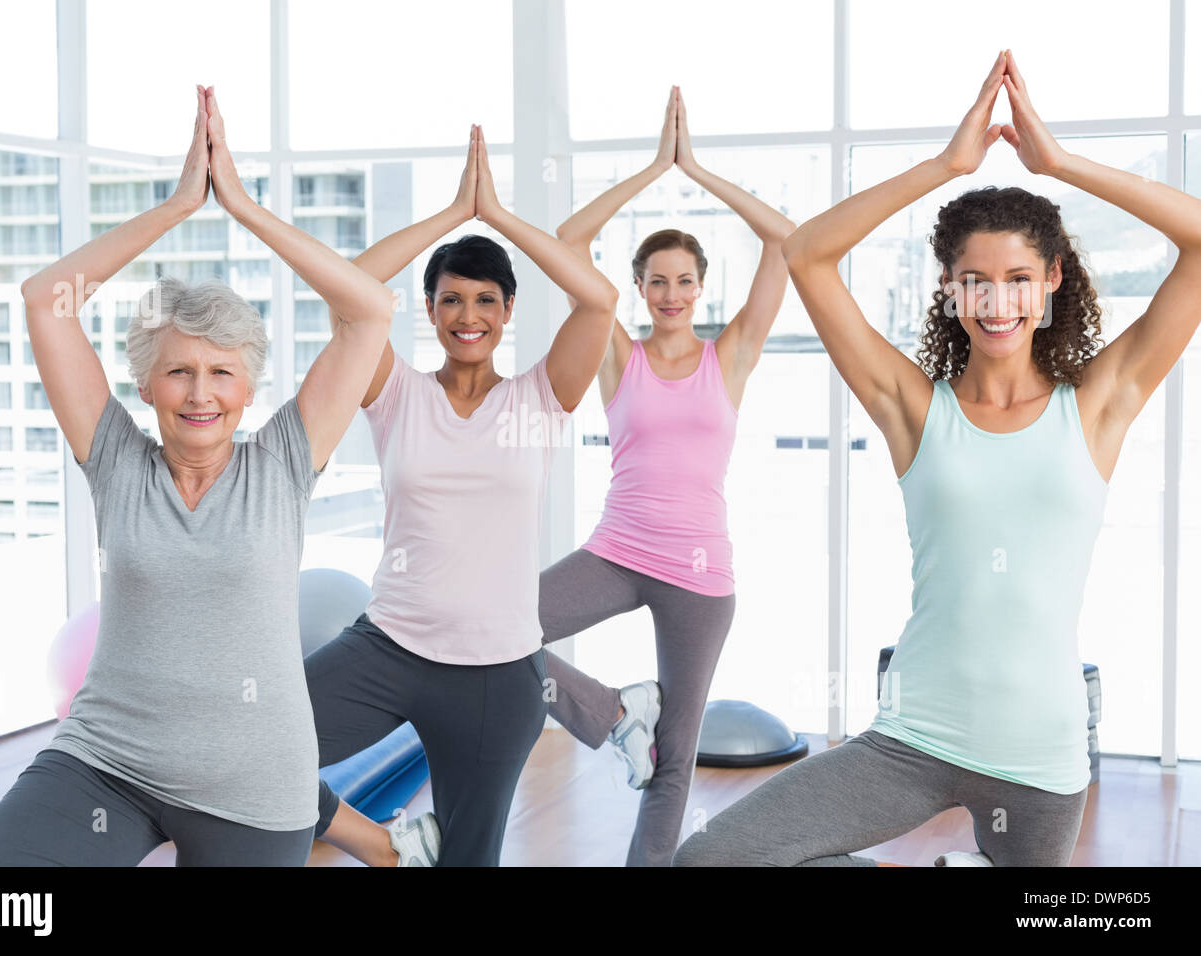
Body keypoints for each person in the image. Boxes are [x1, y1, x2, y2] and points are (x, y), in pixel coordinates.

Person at [674, 50, 1201, 867]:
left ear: (1054, 279)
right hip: (914, 741)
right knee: (709, 859)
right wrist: (948, 164)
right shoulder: (914, 408)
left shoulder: (1098, 404)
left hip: (1042, 763)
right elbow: (808, 253)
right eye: (975, 280)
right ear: (950, 289)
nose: (998, 302)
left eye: (1019, 278)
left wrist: (1058, 162)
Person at [0, 87, 396, 866]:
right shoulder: (116, 458)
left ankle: (382, 846)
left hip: (253, 788)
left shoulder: (284, 462)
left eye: (223, 372)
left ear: (250, 389)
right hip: (106, 762)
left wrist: (244, 209)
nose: (200, 392)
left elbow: (370, 314)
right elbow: (46, 305)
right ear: (145, 387)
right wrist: (182, 204)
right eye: (177, 371)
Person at [266, 119, 619, 866]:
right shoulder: (394, 391)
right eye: (451, 300)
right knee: (259, 745)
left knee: (467, 859)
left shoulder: (542, 397)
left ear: (507, 312)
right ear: (428, 309)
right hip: (389, 645)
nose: (469, 317)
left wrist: (500, 217)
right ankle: (378, 846)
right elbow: (350, 284)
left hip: (498, 674)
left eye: (487, 301)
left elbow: (599, 300)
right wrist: (453, 214)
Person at [538, 86, 795, 866]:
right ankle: (613, 714)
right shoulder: (620, 351)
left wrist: (699, 171)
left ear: (701, 287)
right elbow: (569, 238)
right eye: (658, 281)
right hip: (618, 550)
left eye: (685, 281)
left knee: (675, 759)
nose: (673, 295)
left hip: (701, 576)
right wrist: (655, 169)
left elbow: (785, 241)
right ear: (641, 288)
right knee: (495, 629)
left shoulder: (733, 355)